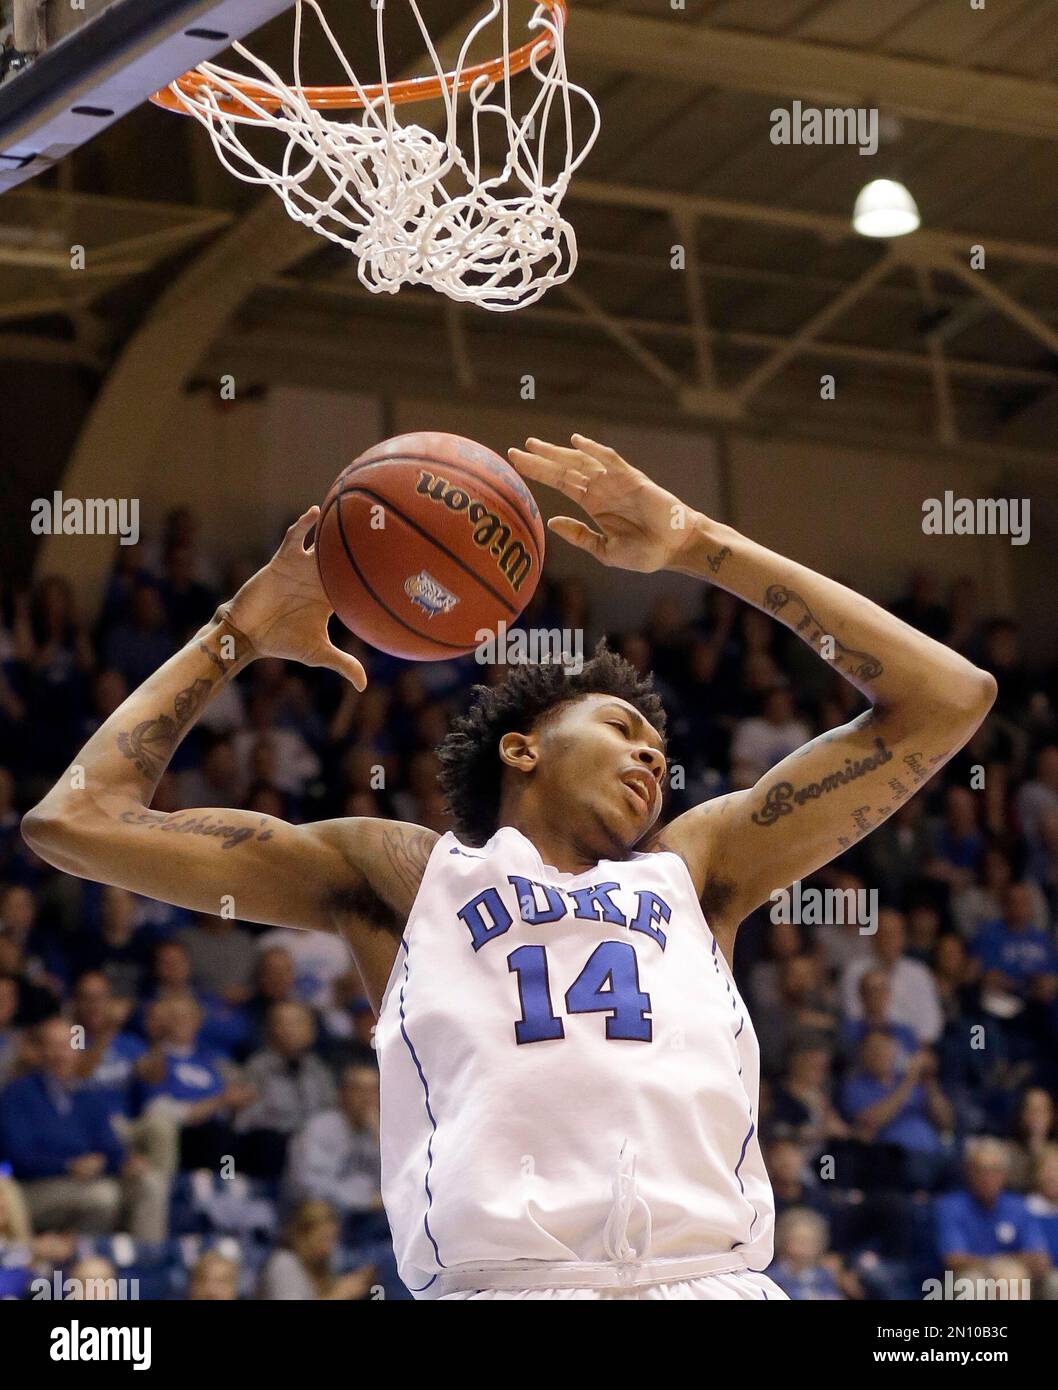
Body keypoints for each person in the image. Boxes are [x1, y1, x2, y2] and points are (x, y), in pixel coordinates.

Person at [22, 435, 997, 1300]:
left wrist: (696, 542)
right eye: (620, 727)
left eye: (659, 744)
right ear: (522, 750)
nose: (652, 754)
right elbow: (78, 820)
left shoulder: (695, 868)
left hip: (710, 1282)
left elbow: (947, 697)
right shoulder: (406, 876)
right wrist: (240, 627)